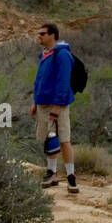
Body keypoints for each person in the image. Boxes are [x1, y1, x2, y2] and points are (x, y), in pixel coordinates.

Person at [32, 21, 78, 193]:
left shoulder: (62, 55)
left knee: (64, 139)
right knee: (48, 139)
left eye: (42, 33)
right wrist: (35, 102)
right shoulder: (44, 54)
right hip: (43, 104)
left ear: (52, 35)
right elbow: (40, 80)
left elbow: (63, 83)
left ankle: (71, 176)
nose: (39, 36)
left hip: (57, 105)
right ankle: (51, 173)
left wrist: (57, 107)